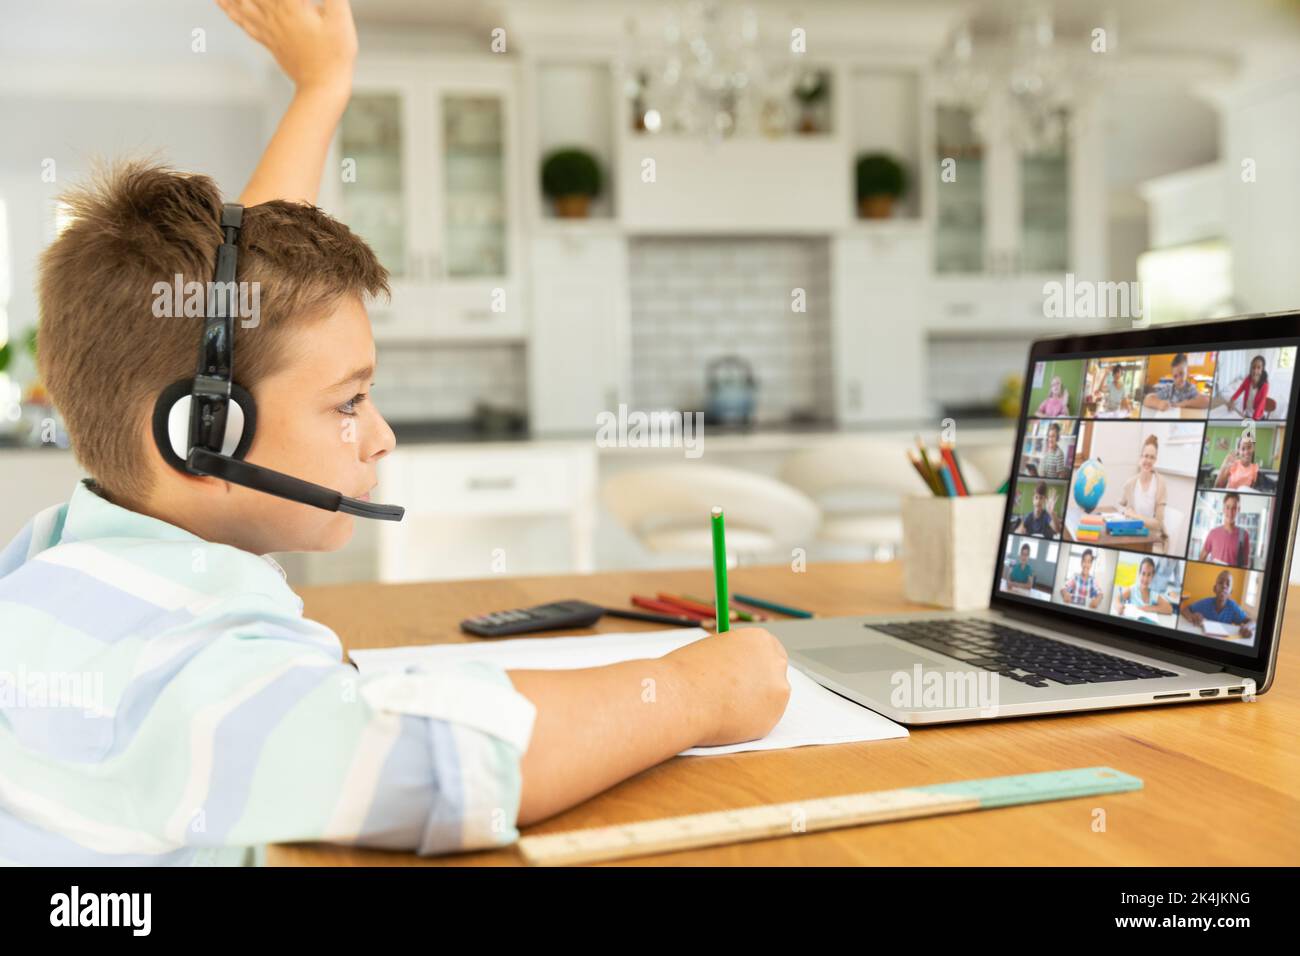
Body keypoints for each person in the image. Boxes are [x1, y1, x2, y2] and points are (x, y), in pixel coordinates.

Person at [0, 0, 790, 865]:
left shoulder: (60, 564)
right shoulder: (182, 672)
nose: (381, 438)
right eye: (349, 402)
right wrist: (695, 688)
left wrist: (321, 86)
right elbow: (446, 768)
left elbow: (246, 324)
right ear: (204, 433)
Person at [1116, 433, 1168, 548]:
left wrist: (1135, 516)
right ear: (1140, 457)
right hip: (1132, 533)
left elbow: (1158, 524)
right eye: (1146, 456)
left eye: (1152, 457)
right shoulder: (1130, 483)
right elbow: (1120, 506)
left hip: (1150, 537)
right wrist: (1124, 510)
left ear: (1155, 460)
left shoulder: (1160, 484)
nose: (1148, 461)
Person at [1181, 570, 1254, 639]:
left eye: (1228, 584)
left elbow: (1252, 622)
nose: (1224, 586)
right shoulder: (1205, 603)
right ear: (1215, 589)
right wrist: (1191, 616)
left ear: (1231, 592)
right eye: (1220, 582)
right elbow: (1185, 609)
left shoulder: (1233, 607)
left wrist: (1248, 627)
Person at [1198, 492, 1252, 566]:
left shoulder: (1244, 535)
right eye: (1227, 507)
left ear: (1238, 510)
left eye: (1234, 508)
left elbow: (1245, 565)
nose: (1230, 512)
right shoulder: (1213, 533)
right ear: (1223, 509)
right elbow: (1201, 559)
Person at [1143, 352, 1208, 412]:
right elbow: (1147, 399)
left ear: (1187, 372)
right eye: (1175, 376)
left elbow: (1206, 401)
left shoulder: (1190, 389)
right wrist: (1158, 403)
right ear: (1172, 377)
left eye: (1182, 373)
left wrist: (1185, 403)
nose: (1179, 379)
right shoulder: (1169, 389)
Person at [1227, 354, 1270, 420]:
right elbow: (1239, 390)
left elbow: (1260, 404)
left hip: (1257, 417)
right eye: (1253, 367)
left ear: (1262, 369)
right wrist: (1232, 400)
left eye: (1258, 368)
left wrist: (1253, 419)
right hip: (1247, 413)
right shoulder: (1247, 379)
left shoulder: (1265, 385)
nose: (1255, 371)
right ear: (1251, 368)